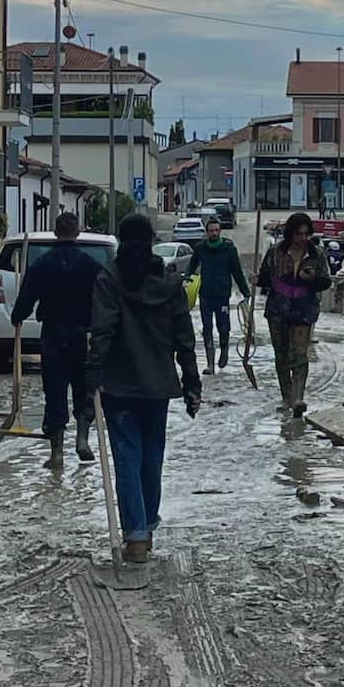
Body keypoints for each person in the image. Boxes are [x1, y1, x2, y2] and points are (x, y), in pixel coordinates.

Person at [87, 214, 202, 563]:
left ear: (121, 241)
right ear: (151, 241)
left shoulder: (109, 279)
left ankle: (136, 536)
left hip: (119, 384)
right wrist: (192, 383)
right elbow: (184, 337)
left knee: (127, 456)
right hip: (158, 385)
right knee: (152, 458)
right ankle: (146, 528)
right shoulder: (169, 284)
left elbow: (102, 330)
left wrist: (91, 375)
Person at [10, 212, 103, 469]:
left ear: (54, 232)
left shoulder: (41, 264)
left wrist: (17, 317)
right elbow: (104, 301)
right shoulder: (91, 266)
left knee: (55, 392)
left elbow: (26, 299)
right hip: (82, 336)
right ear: (78, 232)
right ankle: (83, 437)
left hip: (52, 336)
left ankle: (57, 453)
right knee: (85, 390)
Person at [257, 212, 332, 419]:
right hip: (278, 310)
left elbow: (326, 282)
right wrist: (257, 280)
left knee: (299, 355)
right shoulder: (275, 252)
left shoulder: (316, 254)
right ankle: (287, 396)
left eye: (306, 234)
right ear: (291, 233)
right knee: (281, 356)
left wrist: (312, 279)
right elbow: (265, 278)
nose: (303, 238)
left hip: (303, 309)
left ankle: (298, 398)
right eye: (299, 234)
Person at [185, 216, 250, 375]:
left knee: (223, 327)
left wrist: (246, 292)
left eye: (216, 230)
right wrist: (187, 279)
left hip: (222, 296)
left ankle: (224, 350)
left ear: (220, 232)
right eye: (211, 231)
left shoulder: (229, 249)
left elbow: (237, 272)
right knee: (207, 327)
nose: (214, 233)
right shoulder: (201, 248)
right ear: (207, 233)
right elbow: (191, 266)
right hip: (205, 295)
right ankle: (210, 364)